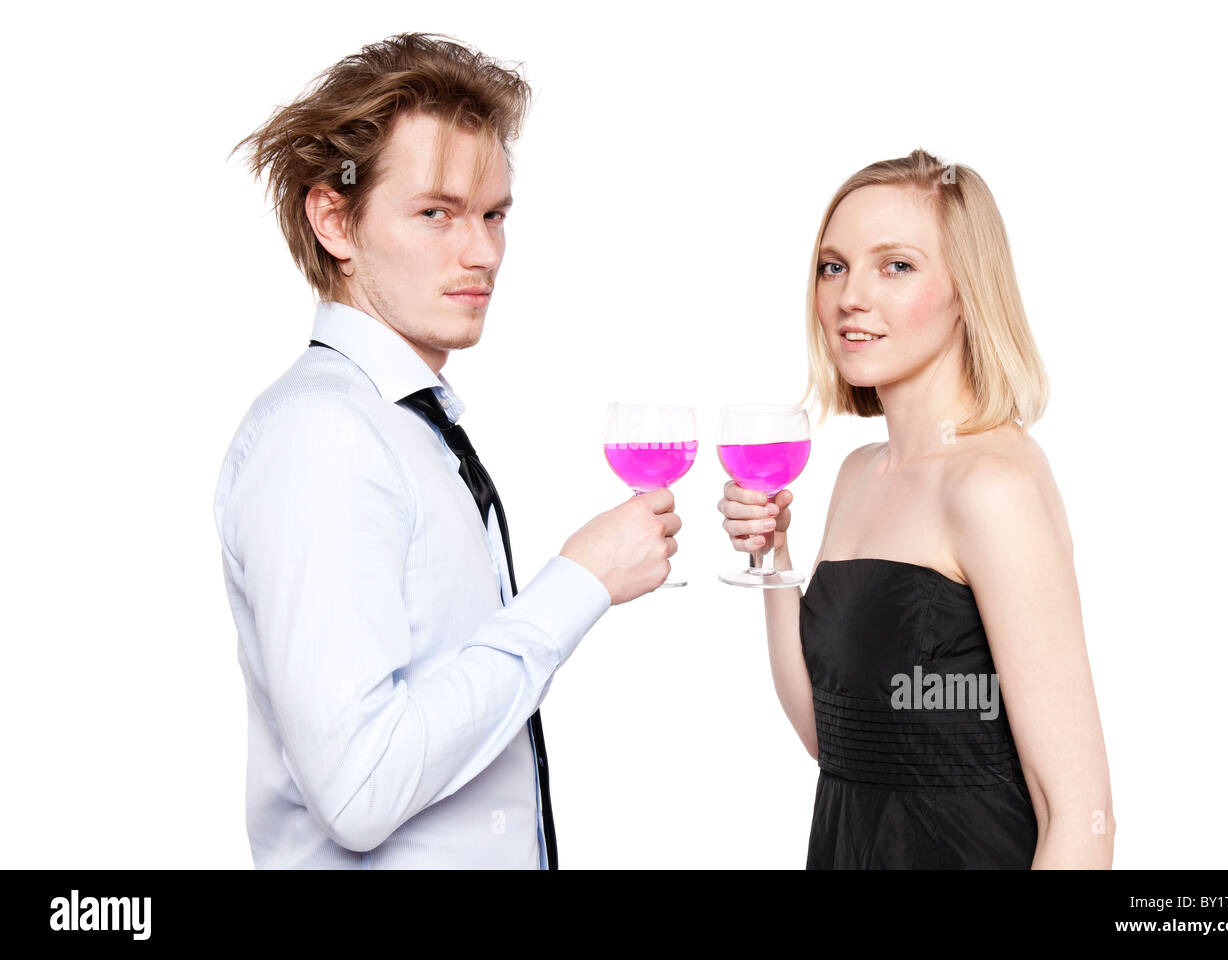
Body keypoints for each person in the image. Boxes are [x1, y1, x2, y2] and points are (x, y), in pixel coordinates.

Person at [213, 33, 680, 869]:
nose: (484, 253)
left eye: (494, 215)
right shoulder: (323, 438)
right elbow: (360, 791)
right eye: (437, 213)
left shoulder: (406, 422)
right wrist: (576, 584)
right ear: (335, 219)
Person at [717, 149, 1115, 868]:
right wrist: (772, 555)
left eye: (895, 266)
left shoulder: (993, 488)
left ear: (968, 290)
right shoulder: (856, 473)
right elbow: (832, 739)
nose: (850, 298)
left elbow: (1079, 816)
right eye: (833, 266)